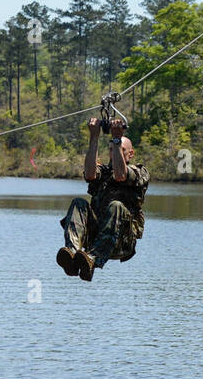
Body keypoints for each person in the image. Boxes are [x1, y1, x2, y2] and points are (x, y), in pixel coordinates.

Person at [57, 115, 150, 282]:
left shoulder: (139, 172)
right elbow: (90, 173)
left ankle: (92, 260)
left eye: (120, 149)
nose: (114, 152)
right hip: (96, 236)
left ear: (130, 153)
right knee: (79, 203)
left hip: (121, 242)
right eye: (112, 150)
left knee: (116, 205)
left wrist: (116, 139)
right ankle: (72, 255)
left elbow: (121, 175)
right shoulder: (104, 172)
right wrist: (94, 136)